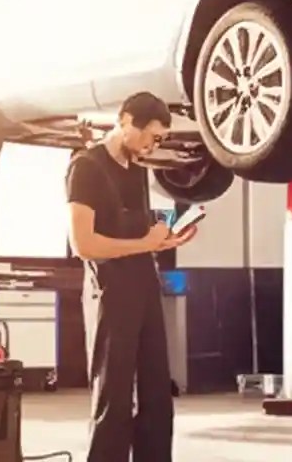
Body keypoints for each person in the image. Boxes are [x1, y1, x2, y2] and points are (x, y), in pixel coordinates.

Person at [66, 92, 199, 462]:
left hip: (145, 288)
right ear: (126, 121)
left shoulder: (137, 170)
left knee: (157, 398)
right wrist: (144, 243)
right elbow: (83, 243)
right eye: (150, 137)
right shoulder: (86, 167)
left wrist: (168, 239)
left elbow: (139, 238)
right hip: (111, 294)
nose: (152, 145)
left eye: (158, 140)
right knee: (115, 400)